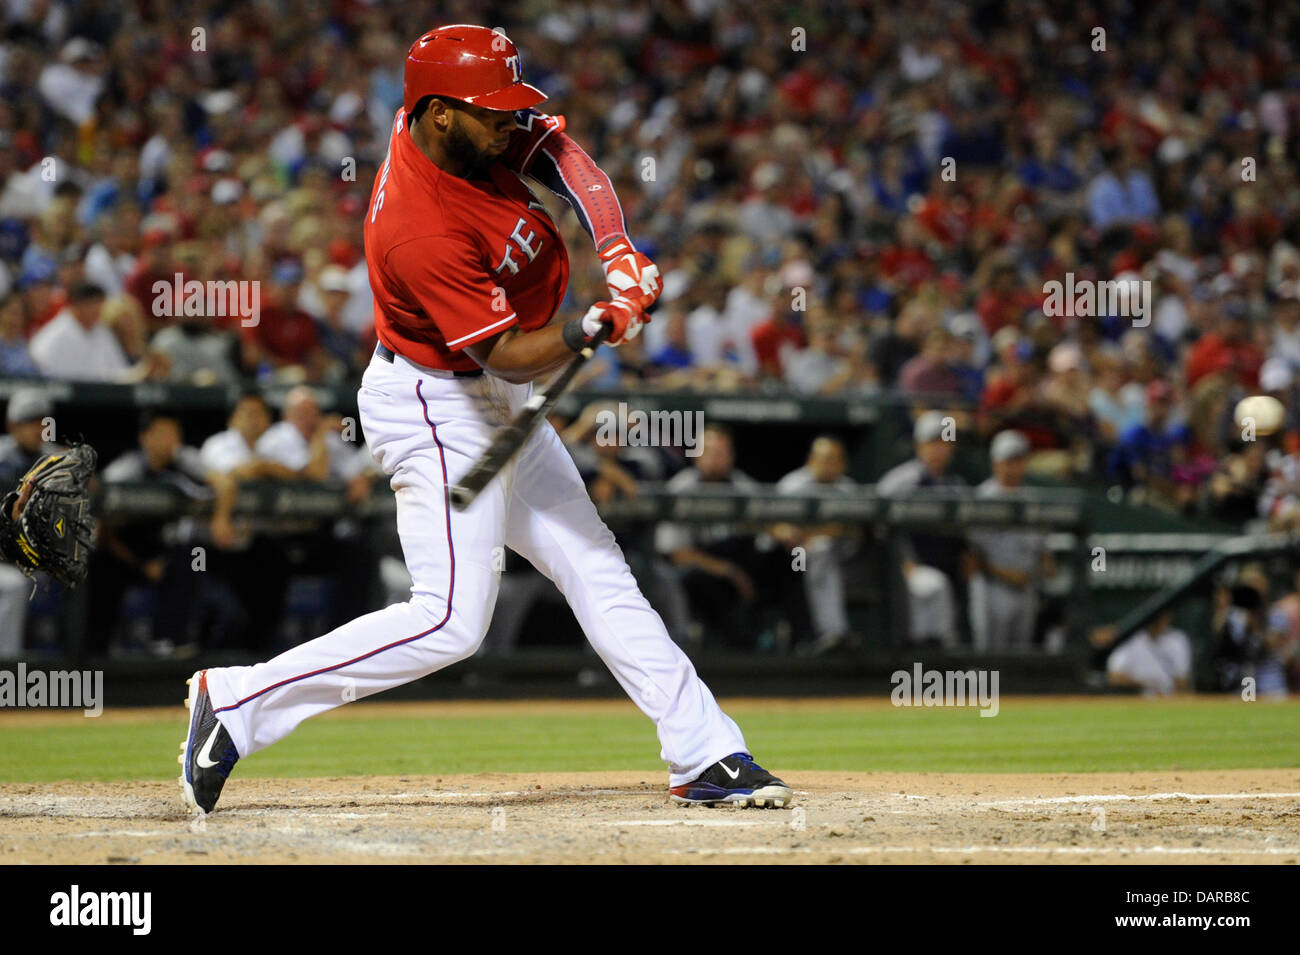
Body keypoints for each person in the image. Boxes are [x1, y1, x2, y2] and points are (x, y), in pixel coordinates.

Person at [181, 25, 790, 816]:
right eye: (492, 114)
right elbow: (507, 354)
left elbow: (566, 158)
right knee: (448, 620)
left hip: (491, 394)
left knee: (594, 564)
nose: (510, 124)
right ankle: (234, 699)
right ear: (438, 115)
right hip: (438, 403)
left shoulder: (458, 132)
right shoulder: (417, 224)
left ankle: (706, 752)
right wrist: (593, 325)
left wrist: (618, 248)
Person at [877, 411, 969, 645]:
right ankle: (922, 658)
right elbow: (878, 527)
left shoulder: (956, 486)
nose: (939, 450)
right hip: (906, 566)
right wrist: (900, 560)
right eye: (933, 443)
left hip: (948, 566)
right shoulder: (899, 482)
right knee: (933, 588)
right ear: (919, 445)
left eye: (945, 443)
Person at [773, 435, 861, 655]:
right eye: (823, 459)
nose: (828, 465)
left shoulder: (849, 490)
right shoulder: (792, 486)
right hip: (795, 559)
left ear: (843, 464)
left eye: (834, 459)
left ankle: (832, 634)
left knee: (823, 551)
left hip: (848, 560)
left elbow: (855, 530)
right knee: (819, 552)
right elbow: (775, 527)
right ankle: (834, 632)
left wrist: (816, 532)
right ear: (810, 461)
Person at [967, 430, 1054, 652]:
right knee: (990, 658)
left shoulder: (1032, 498)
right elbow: (972, 557)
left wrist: (1045, 565)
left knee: (1020, 656)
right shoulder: (983, 498)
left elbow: (1042, 547)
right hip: (992, 588)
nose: (1014, 467)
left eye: (1019, 461)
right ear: (996, 463)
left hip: (1026, 588)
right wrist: (1004, 574)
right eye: (1008, 461)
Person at [0, 388, 60, 656]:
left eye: (43, 422)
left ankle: (72, 663)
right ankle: (8, 671)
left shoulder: (55, 459)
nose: (39, 429)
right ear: (12, 426)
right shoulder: (2, 458)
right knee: (14, 584)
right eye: (31, 422)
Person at [1104, 610, 1192, 696]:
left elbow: (1181, 681)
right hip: (1137, 700)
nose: (1159, 621)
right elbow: (1114, 677)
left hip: (1169, 701)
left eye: (1162, 616)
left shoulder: (1177, 639)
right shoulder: (1131, 638)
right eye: (1155, 617)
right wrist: (1148, 685)